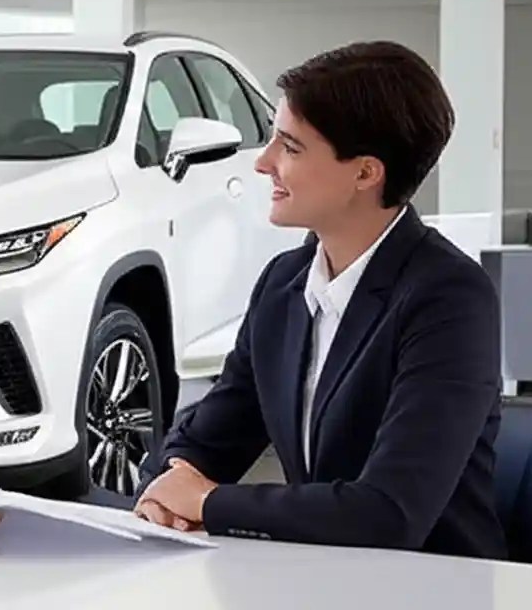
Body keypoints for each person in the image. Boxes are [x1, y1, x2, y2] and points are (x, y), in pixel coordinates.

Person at [133, 40, 507, 559]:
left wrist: (209, 502)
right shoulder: (284, 284)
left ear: (364, 172)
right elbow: (208, 438)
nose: (263, 163)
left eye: (289, 147)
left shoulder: (450, 298)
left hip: (428, 590)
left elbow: (389, 514)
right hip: (314, 577)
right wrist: (172, 486)